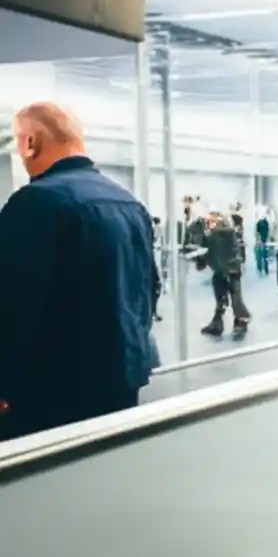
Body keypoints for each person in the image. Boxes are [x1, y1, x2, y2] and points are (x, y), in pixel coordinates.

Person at [0, 102, 159, 442]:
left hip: (51, 392)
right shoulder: (129, 203)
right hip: (122, 381)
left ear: (30, 142)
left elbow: (12, 303)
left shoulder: (34, 203)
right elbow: (149, 290)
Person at [200, 210, 252, 341]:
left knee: (235, 299)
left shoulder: (224, 233)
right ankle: (218, 322)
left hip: (230, 270)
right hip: (223, 269)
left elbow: (211, 246)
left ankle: (241, 320)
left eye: (211, 221)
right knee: (222, 298)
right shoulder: (221, 234)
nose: (209, 224)